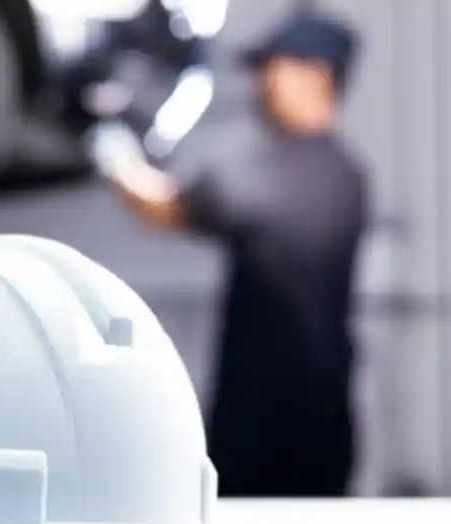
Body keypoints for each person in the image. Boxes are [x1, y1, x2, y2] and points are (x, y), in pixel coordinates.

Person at [93, 10, 367, 496]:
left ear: (318, 74)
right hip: (327, 426)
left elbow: (164, 207)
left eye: (271, 68)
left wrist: (110, 148)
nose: (259, 84)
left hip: (260, 433)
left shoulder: (272, 177)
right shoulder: (348, 177)